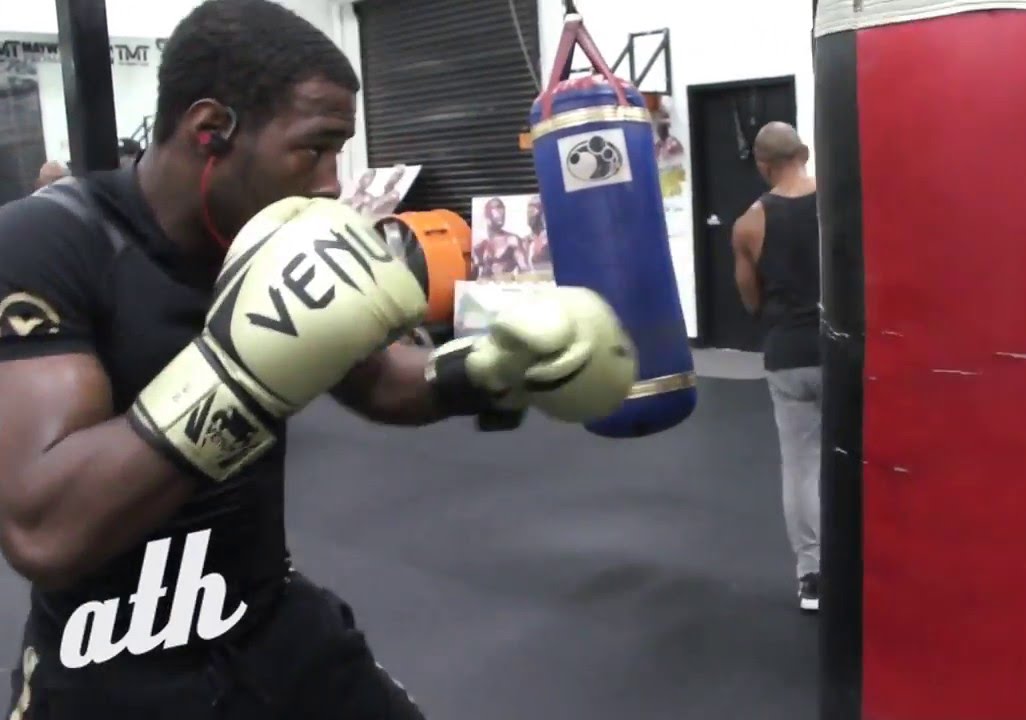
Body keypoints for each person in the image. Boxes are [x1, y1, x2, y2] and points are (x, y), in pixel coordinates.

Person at [0, 1, 634, 718]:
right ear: (212, 131)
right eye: (316, 147)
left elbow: (378, 378)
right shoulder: (51, 242)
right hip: (110, 661)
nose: (334, 182)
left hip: (268, 621)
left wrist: (487, 370)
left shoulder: (277, 235)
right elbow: (44, 528)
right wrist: (240, 376)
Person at [730, 121, 822, 613]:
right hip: (844, 352)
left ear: (763, 166)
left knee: (802, 468)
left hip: (788, 356)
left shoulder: (748, 224)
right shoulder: (841, 198)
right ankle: (869, 563)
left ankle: (813, 577)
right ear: (804, 153)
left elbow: (750, 302)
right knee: (861, 460)